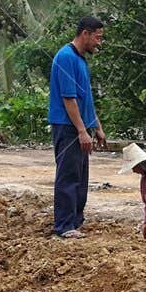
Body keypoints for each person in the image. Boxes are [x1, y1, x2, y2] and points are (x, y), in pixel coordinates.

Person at [48, 16, 107, 240]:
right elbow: (69, 99)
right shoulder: (65, 58)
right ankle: (64, 225)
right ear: (85, 33)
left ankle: (75, 221)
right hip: (67, 127)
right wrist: (82, 131)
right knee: (68, 175)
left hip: (81, 126)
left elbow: (86, 100)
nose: (98, 43)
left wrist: (97, 127)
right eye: (97, 37)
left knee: (81, 177)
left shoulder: (81, 61)